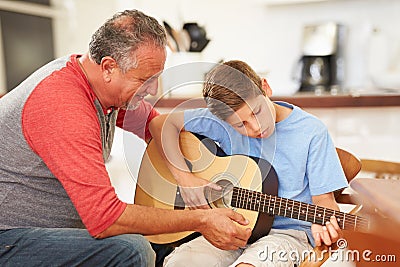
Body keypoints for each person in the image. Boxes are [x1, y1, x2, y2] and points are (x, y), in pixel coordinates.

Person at [0, 10, 252, 266]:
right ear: (109, 67)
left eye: (157, 79)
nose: (153, 90)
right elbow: (105, 218)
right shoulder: (64, 105)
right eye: (145, 80)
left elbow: (155, 124)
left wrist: (184, 176)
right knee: (133, 249)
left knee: (165, 243)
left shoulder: (99, 84)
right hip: (8, 238)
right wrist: (202, 220)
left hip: (49, 230)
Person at [149, 60, 348, 266]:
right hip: (230, 226)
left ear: (265, 87)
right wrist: (185, 179)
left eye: (257, 112)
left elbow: (324, 201)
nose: (255, 127)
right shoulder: (221, 121)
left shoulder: (311, 131)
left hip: (288, 235)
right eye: (240, 124)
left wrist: (324, 224)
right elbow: (160, 124)